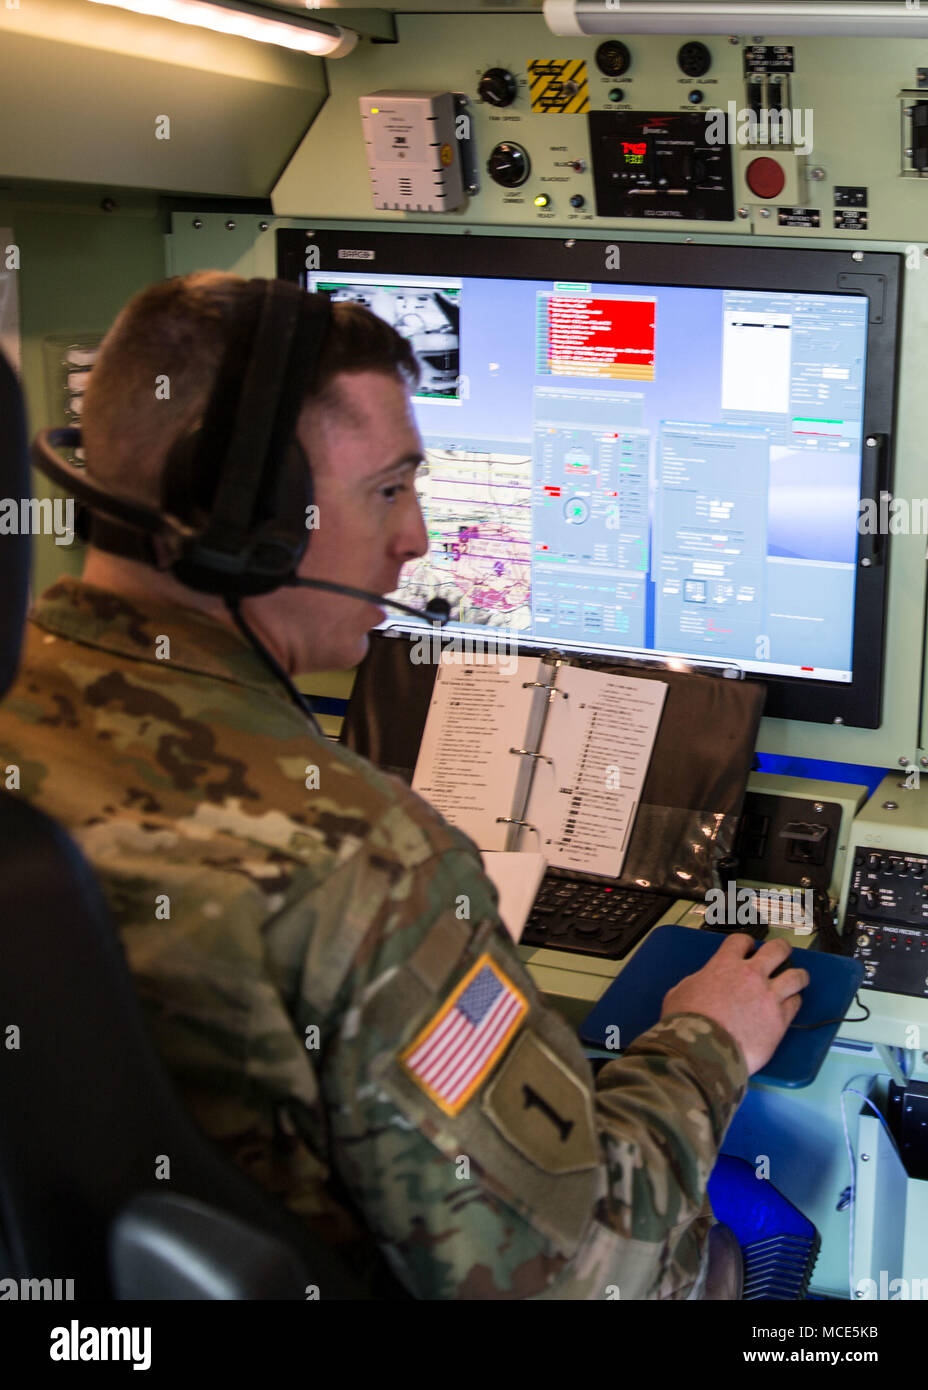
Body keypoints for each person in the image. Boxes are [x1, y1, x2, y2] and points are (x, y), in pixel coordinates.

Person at [0, 271, 808, 1299]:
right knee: (751, 1241)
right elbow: (581, 1277)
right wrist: (706, 1042)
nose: (416, 538)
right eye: (387, 488)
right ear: (250, 519)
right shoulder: (368, 862)